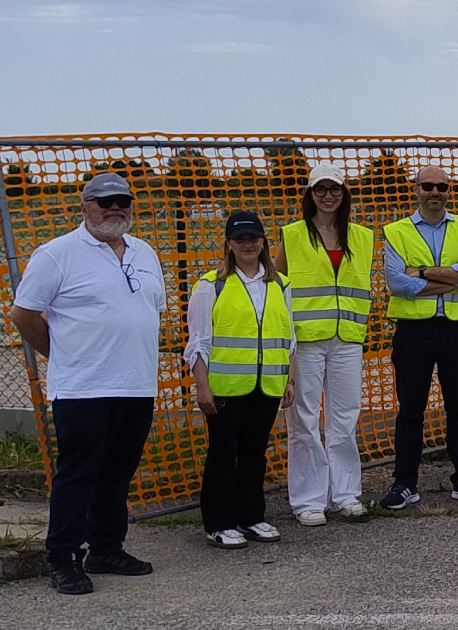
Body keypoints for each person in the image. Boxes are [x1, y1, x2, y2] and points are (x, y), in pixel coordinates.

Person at [10, 172, 164, 595]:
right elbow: (24, 314)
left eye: (122, 201)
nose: (114, 208)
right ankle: (62, 557)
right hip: (83, 387)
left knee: (117, 473)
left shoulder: (145, 252)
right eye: (104, 201)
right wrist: (60, 355)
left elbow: (150, 310)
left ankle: (106, 548)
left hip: (135, 384)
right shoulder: (57, 254)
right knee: (78, 474)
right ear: (85, 206)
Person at [379, 166, 458, 510]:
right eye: (428, 186)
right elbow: (397, 283)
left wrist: (422, 273)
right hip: (413, 331)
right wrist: (452, 277)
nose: (435, 192)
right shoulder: (396, 232)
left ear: (449, 191)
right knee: (411, 409)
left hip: (457, 329)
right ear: (416, 189)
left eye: (442, 186)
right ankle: (404, 482)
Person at [184, 211, 294, 550]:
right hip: (226, 387)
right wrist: (203, 385)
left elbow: (288, 337)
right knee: (222, 453)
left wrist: (288, 380)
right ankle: (219, 523)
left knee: (254, 453)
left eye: (253, 238)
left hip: (267, 386)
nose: (247, 244)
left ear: (263, 242)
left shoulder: (280, 284)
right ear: (229, 244)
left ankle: (251, 516)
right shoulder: (210, 285)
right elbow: (198, 341)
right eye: (240, 239)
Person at [274, 163, 371, 527]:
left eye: (334, 189)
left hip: (347, 338)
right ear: (310, 194)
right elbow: (276, 283)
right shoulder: (293, 235)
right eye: (320, 189)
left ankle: (346, 495)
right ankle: (308, 499)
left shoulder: (362, 237)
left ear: (344, 193)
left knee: (346, 418)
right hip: (306, 340)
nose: (328, 196)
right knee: (303, 419)